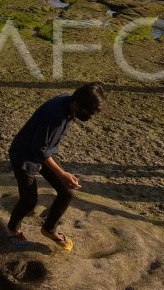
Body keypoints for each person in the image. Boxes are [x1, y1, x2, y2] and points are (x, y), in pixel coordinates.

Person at [6, 83, 106, 251]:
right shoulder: (55, 116)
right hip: (24, 155)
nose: (88, 117)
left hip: (44, 152)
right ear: (76, 103)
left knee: (67, 192)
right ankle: (12, 230)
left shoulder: (70, 103)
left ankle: (48, 229)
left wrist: (62, 174)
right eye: (87, 113)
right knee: (29, 200)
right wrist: (62, 173)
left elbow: (44, 148)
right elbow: (39, 150)